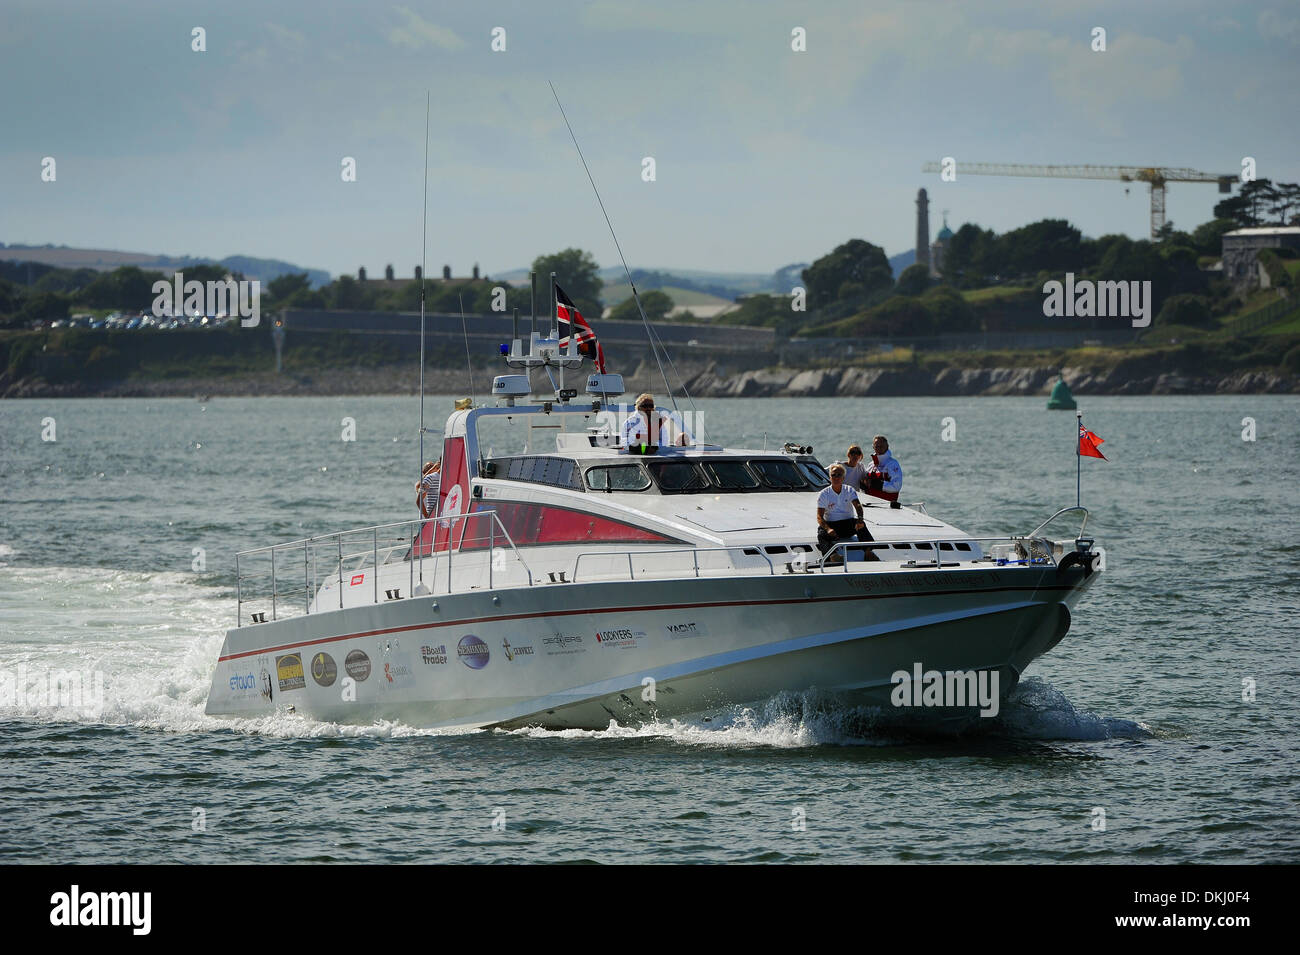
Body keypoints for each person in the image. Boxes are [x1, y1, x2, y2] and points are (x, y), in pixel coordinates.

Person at [816, 463, 869, 559]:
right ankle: (833, 556)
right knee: (821, 534)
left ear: (843, 478)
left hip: (848, 524)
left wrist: (860, 519)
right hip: (832, 525)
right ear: (830, 477)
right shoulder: (823, 494)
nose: (836, 477)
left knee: (861, 525)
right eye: (833, 475)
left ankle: (869, 552)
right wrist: (828, 529)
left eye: (839, 475)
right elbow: (819, 516)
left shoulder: (849, 490)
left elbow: (858, 506)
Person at [622, 393, 693, 450]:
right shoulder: (629, 423)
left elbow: (664, 442)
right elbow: (626, 442)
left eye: (651, 406)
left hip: (656, 454)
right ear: (638, 407)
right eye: (645, 406)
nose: (648, 408)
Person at [863, 435, 903, 502]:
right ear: (873, 447)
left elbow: (896, 486)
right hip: (869, 505)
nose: (879, 448)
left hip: (886, 506)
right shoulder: (871, 465)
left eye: (881, 446)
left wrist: (876, 484)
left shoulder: (893, 464)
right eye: (876, 446)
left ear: (887, 447)